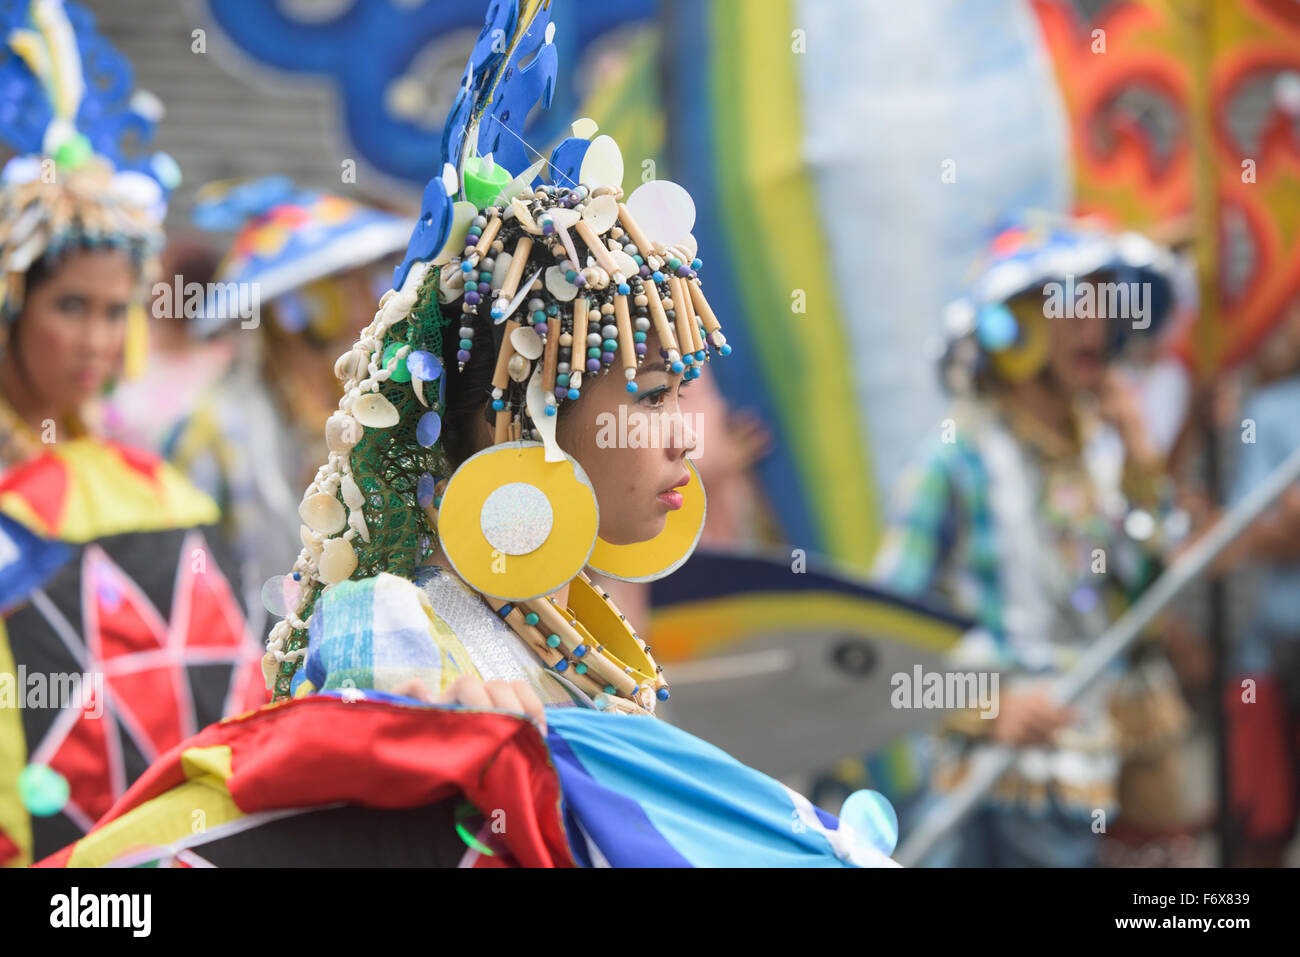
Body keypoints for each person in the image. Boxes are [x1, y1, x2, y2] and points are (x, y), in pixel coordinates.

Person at [39, 0, 898, 868]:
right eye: (645, 397)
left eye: (681, 393)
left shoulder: (576, 623)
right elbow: (361, 690)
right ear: (515, 418)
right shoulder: (401, 621)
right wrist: (414, 713)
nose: (684, 436)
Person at [0, 0, 264, 867]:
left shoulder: (162, 483)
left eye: (116, 311)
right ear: (11, 306)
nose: (95, 342)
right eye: (70, 306)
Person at [872, 219, 1193, 866]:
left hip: (1107, 788)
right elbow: (882, 638)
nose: (1095, 328)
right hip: (1000, 796)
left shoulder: (1105, 450)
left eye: (1106, 304)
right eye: (1073, 305)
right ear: (1014, 323)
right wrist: (989, 709)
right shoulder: (955, 458)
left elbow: (1151, 606)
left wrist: (1139, 462)